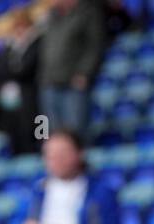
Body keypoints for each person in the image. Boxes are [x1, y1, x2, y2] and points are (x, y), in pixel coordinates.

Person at [21, 130, 118, 224]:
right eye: (50, 154)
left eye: (62, 153)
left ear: (80, 153)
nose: (56, 159)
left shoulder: (101, 191)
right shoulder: (38, 188)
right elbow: (20, 223)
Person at [37, 0, 106, 141]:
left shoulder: (87, 13)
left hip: (73, 83)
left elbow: (95, 46)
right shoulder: (50, 17)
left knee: (75, 133)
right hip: (49, 82)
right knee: (49, 132)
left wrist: (84, 73)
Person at [0, 9, 43, 155]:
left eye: (22, 26)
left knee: (37, 134)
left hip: (34, 102)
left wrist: (15, 70)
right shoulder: (8, 48)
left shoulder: (38, 43)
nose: (19, 31)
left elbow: (26, 69)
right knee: (15, 136)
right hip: (13, 106)